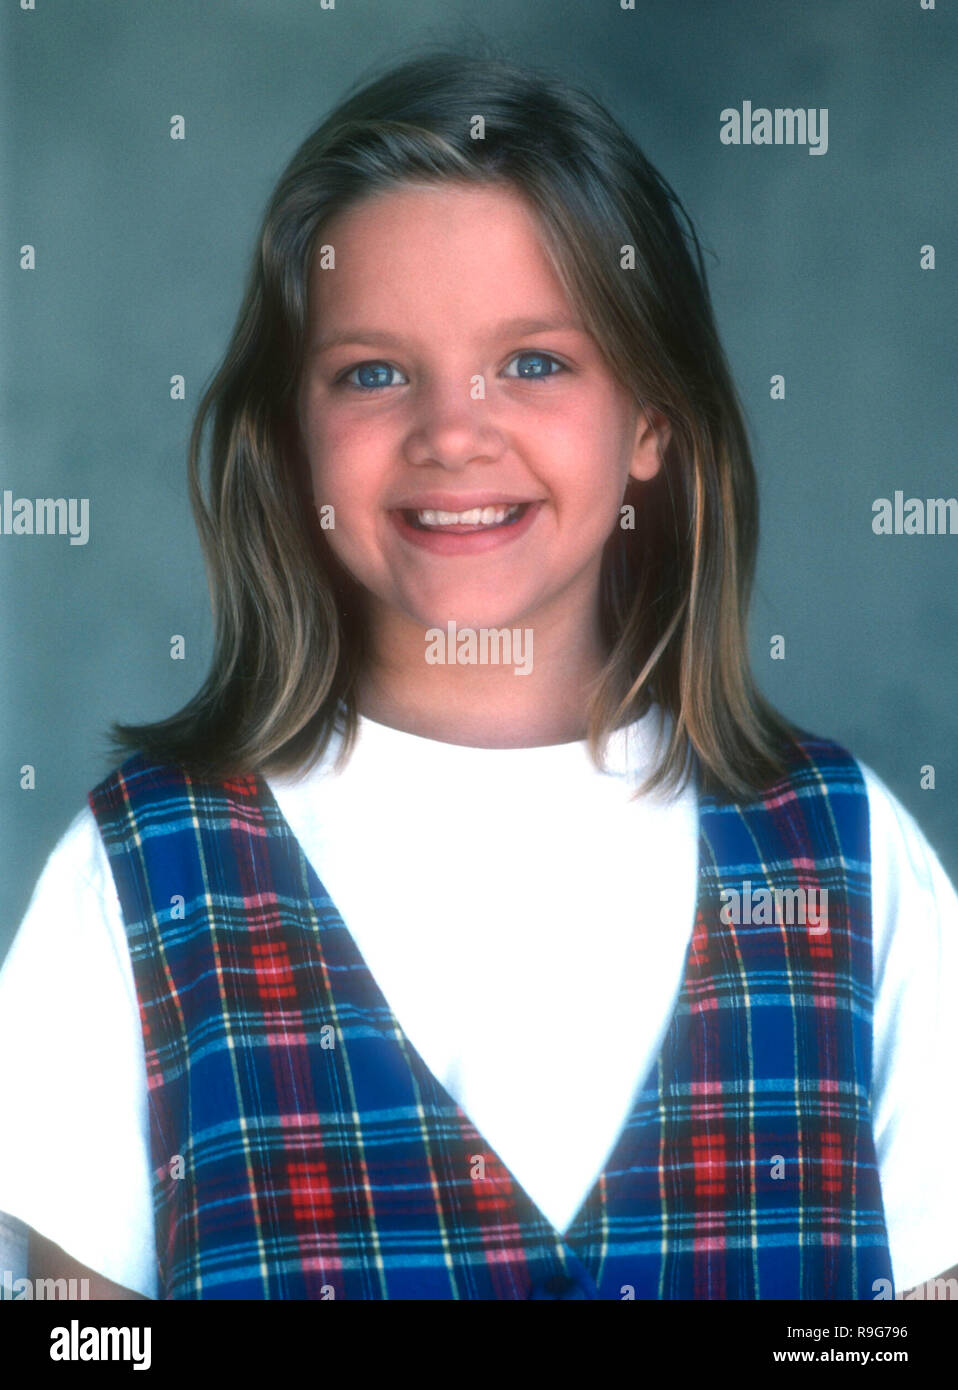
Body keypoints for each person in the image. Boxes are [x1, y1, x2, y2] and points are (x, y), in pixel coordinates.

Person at [1, 48, 956, 1301]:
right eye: (374, 373)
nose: (453, 431)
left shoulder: (850, 862)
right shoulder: (136, 885)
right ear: (292, 440)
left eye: (535, 362)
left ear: (654, 421)